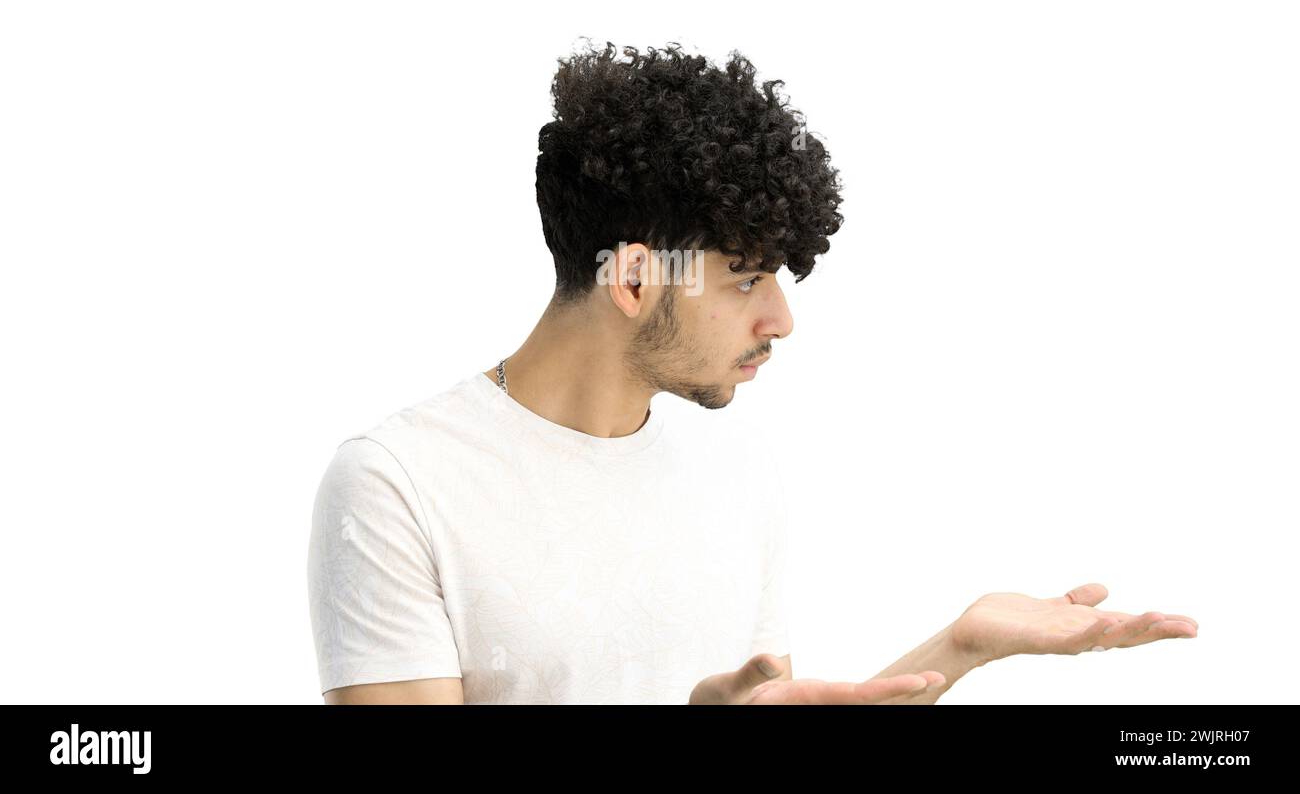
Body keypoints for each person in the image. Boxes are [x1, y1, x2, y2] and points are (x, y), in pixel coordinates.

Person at [306, 41, 1198, 704]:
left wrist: (958, 650)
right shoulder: (400, 484)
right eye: (746, 280)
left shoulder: (737, 473)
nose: (781, 320)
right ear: (632, 277)